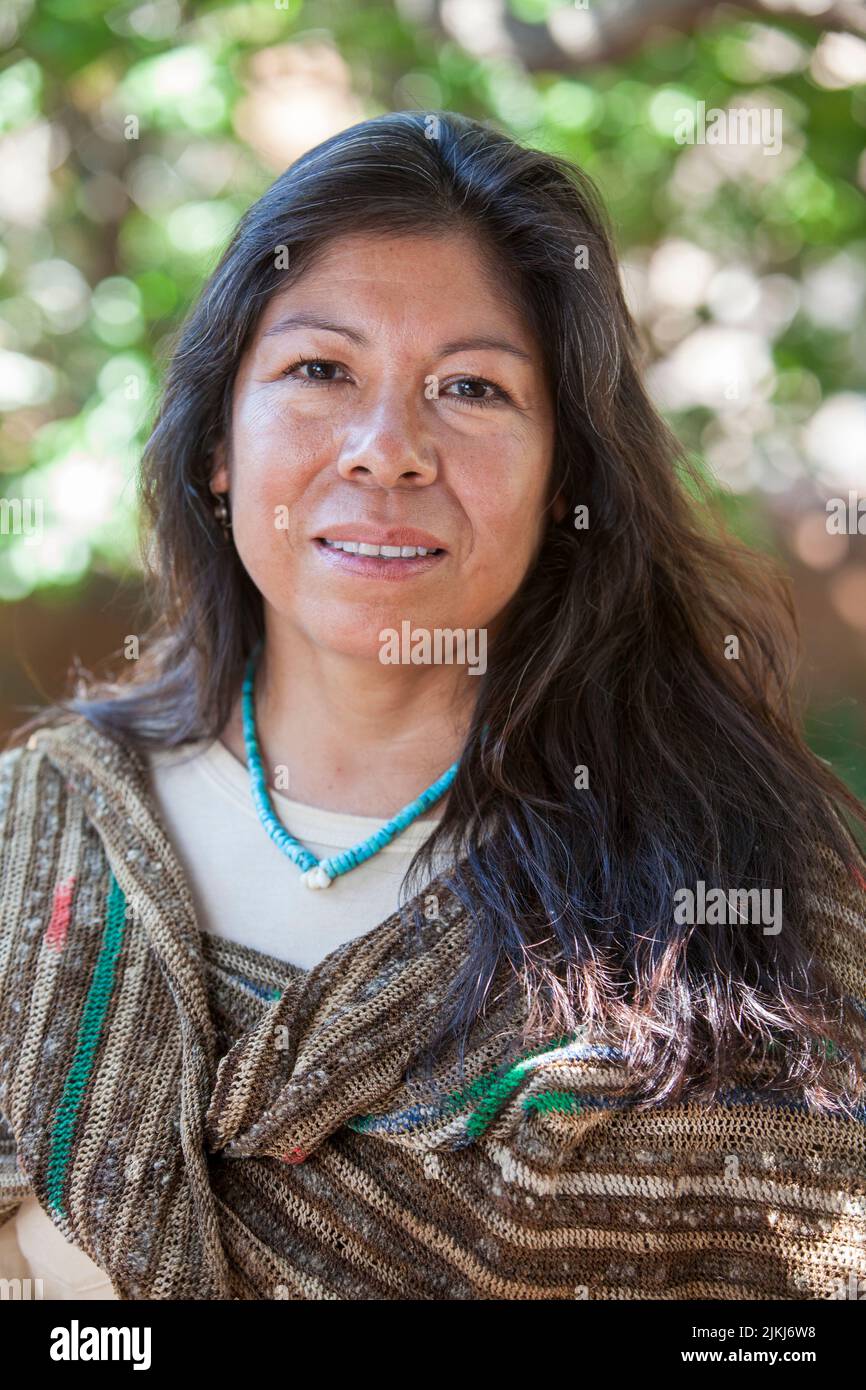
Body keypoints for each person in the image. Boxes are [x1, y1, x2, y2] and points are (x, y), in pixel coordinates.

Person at [1, 111, 864, 1302]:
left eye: (470, 387)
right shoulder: (35, 830)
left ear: (562, 474)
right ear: (217, 445)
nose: (385, 450)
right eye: (319, 370)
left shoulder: (727, 886)